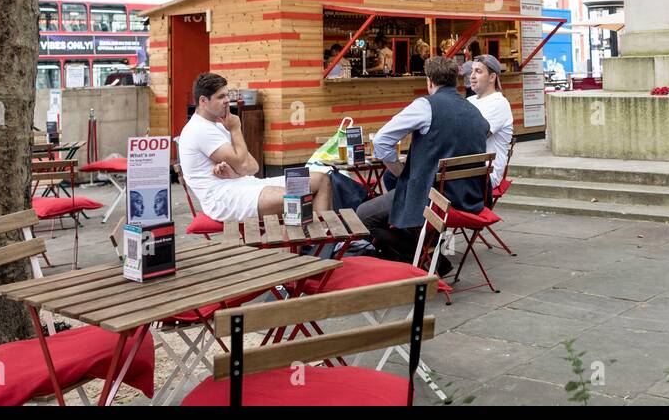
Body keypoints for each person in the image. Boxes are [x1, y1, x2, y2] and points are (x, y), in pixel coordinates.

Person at [355, 56, 489, 266]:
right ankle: (422, 252)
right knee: (390, 204)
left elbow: (381, 141)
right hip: (470, 197)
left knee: (362, 215)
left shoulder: (426, 106)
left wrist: (402, 174)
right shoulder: (474, 111)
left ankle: (428, 261)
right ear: (455, 80)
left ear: (429, 81)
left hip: (434, 198)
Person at [178, 72, 332, 221]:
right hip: (224, 199)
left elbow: (253, 167)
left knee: (320, 179)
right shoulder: (200, 129)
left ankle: (321, 240)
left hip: (245, 185)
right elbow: (244, 164)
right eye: (220, 97)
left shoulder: (217, 126)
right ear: (203, 101)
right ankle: (302, 245)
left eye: (227, 94)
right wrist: (235, 129)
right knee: (296, 196)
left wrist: (236, 172)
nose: (227, 100)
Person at [466, 55, 513, 191]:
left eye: (478, 72)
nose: (472, 76)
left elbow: (476, 137)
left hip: (486, 174)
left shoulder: (499, 103)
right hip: (467, 168)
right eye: (472, 71)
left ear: (492, 77)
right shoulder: (470, 100)